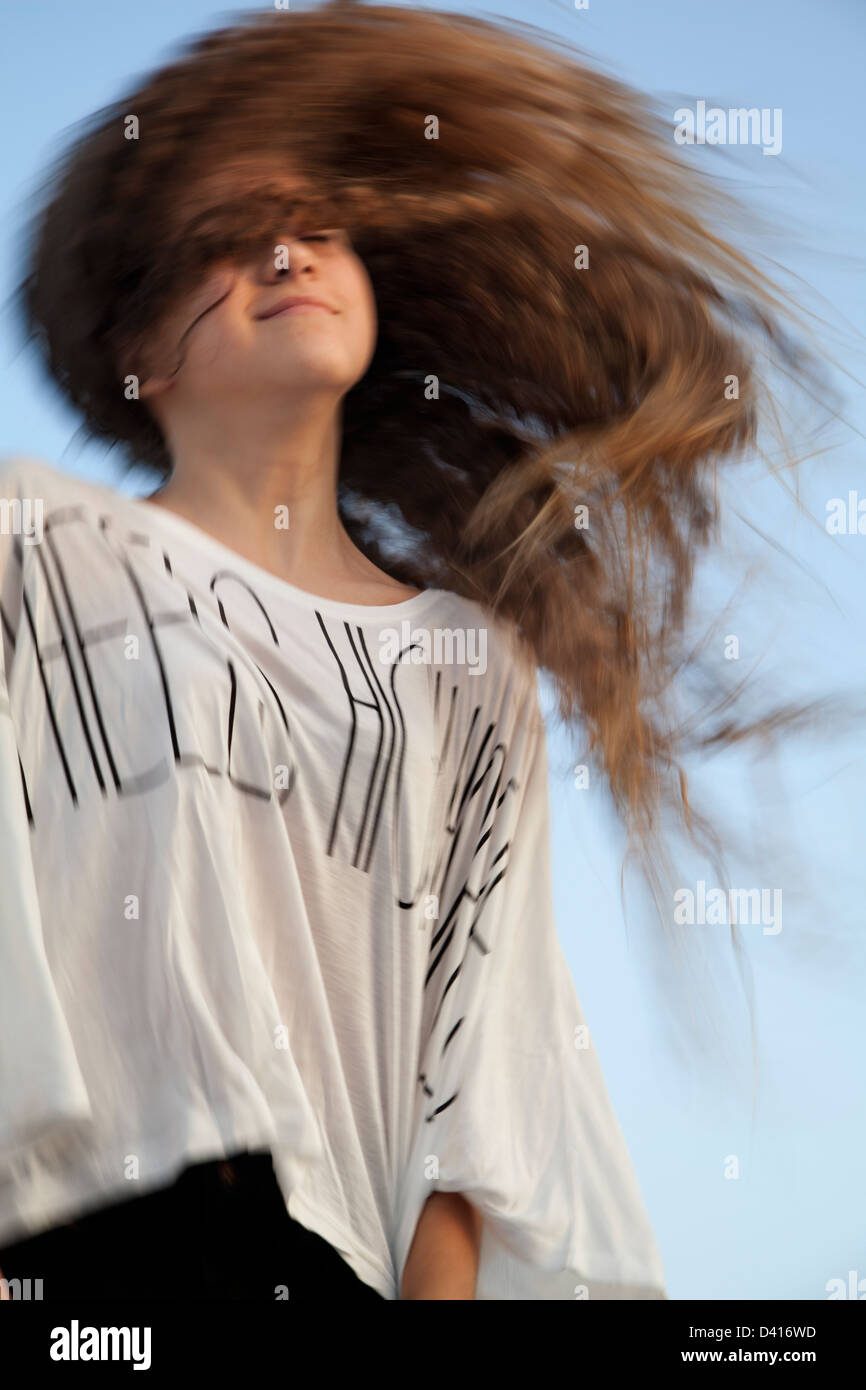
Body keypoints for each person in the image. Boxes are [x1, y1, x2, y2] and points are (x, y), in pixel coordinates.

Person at [0, 3, 826, 1301]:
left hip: (336, 1267)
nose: (286, 253)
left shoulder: (466, 669)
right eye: (223, 242)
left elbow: (478, 1078)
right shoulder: (35, 543)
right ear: (138, 354)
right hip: (76, 1251)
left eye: (317, 228)